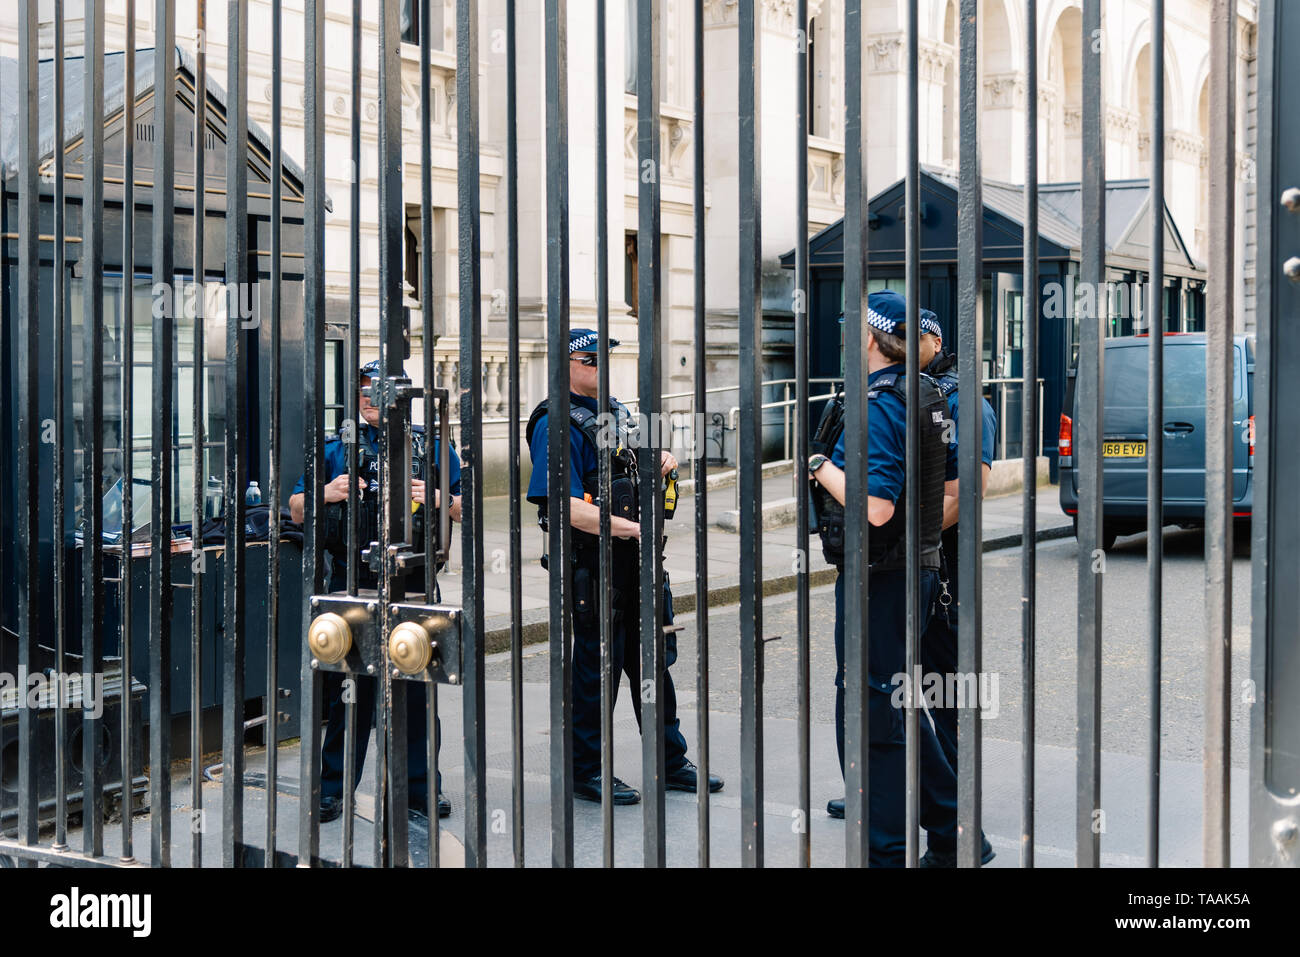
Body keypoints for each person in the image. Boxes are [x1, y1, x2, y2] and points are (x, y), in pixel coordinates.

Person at [525, 328, 722, 805]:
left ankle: (669, 760)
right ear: (564, 365)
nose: (602, 367)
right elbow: (561, 505)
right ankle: (585, 770)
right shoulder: (556, 423)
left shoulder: (620, 413)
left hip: (639, 561)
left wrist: (662, 462)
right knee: (597, 667)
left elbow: (632, 469)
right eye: (591, 359)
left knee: (653, 662)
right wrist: (632, 529)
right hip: (594, 566)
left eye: (607, 358)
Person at [806, 290, 962, 867]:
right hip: (913, 567)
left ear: (871, 339)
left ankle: (888, 853)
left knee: (877, 714)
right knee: (896, 706)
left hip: (884, 572)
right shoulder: (924, 390)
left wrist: (821, 467)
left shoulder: (880, 402)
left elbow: (874, 506)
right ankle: (952, 832)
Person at [289, 359, 462, 823]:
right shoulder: (334, 446)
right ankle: (332, 789)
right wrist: (329, 492)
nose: (368, 397)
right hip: (353, 582)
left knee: (418, 693)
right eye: (362, 389)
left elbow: (468, 508)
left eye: (378, 390)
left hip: (416, 584)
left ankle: (420, 792)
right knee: (349, 695)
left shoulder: (432, 445)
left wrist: (442, 498)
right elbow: (296, 508)